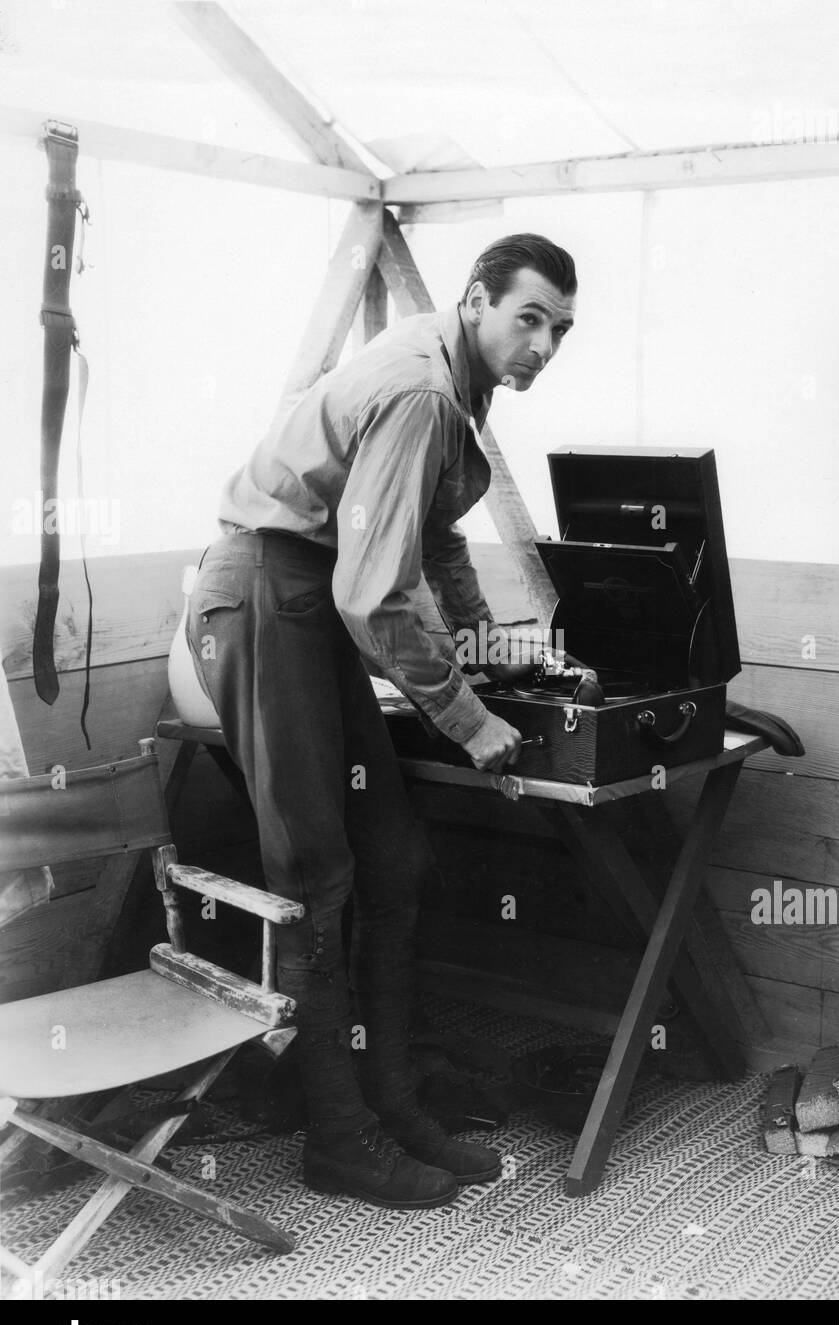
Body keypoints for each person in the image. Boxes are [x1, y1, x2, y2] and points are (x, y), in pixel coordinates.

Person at [186, 233, 577, 1210]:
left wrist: (489, 659)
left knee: (394, 856)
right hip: (272, 594)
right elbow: (372, 592)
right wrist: (464, 717)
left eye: (560, 330)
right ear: (478, 300)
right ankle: (340, 1136)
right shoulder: (420, 392)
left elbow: (431, 541)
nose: (542, 344)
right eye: (528, 317)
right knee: (318, 874)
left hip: (314, 598)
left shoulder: (456, 389)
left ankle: (392, 1101)